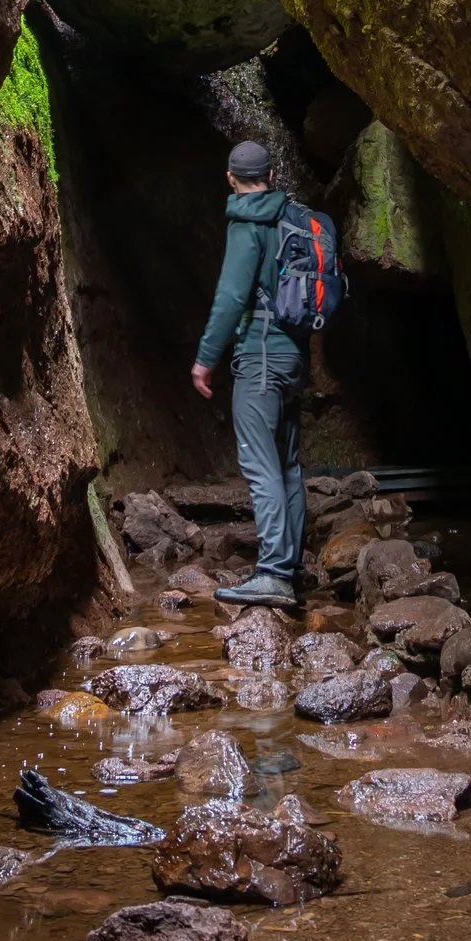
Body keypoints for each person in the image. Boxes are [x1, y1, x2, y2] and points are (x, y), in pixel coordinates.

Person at [191, 136, 304, 608]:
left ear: (231, 179)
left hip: (259, 357)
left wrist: (205, 358)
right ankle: (291, 566)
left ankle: (274, 572)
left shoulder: (247, 223)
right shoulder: (292, 218)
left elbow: (232, 296)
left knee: (260, 464)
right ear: (272, 177)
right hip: (293, 355)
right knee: (287, 464)